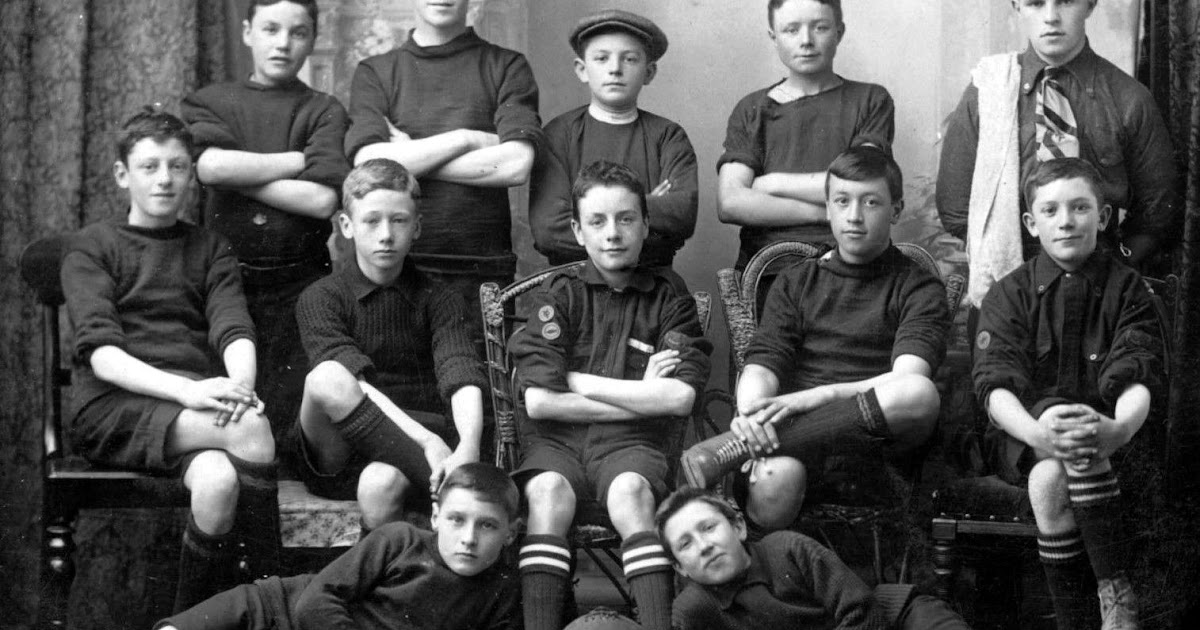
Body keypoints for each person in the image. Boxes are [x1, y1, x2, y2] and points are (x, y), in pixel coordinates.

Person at [60, 108, 278, 611]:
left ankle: (186, 621)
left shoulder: (209, 247)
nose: (165, 179)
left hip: (193, 412)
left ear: (191, 175)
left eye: (177, 167)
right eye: (150, 166)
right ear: (122, 175)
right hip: (114, 408)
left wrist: (239, 385)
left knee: (219, 482)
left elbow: (233, 327)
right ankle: (274, 597)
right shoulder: (93, 246)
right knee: (250, 431)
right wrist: (192, 392)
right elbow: (104, 356)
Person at [681, 147, 949, 533]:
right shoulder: (798, 280)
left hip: (879, 444)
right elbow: (762, 362)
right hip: (799, 447)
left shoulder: (918, 286)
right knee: (775, 480)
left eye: (871, 202)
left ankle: (758, 445)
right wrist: (753, 416)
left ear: (896, 209)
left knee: (919, 392)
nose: (854, 216)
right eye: (842, 201)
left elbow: (907, 378)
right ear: (828, 207)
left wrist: (817, 397)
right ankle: (778, 576)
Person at [509, 161, 712, 630]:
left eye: (625, 219)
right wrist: (642, 391)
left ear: (645, 225)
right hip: (555, 442)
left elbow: (679, 399)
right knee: (546, 491)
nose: (612, 234)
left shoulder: (669, 299)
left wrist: (575, 379)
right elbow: (539, 403)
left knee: (631, 493)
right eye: (597, 222)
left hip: (632, 446)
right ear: (579, 232)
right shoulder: (556, 295)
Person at [973, 158, 1165, 630]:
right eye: (1051, 209)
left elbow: (1137, 369)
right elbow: (995, 386)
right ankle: (1114, 595)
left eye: (1080, 208)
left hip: (1111, 439)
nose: (1066, 221)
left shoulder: (1129, 290)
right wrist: (1040, 433)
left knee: (1052, 475)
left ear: (1102, 218)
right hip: (1024, 437)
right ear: (1030, 222)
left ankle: (1087, 611)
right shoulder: (1009, 294)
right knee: (1059, 440)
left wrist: (1117, 429)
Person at [936, 0, 1179, 307]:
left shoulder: (1128, 99)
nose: (1051, 17)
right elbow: (955, 207)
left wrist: (1116, 264)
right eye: (1035, 3)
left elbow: (1158, 212)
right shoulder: (987, 91)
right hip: (1006, 293)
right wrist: (1006, 260)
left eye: (1065, 2)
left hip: (1098, 296)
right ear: (1016, 6)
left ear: (1090, 5)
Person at [181, 0, 350, 440]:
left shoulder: (324, 109)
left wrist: (239, 174)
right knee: (233, 415)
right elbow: (210, 168)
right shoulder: (211, 101)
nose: (282, 43)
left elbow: (318, 201)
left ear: (312, 39)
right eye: (270, 29)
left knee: (294, 421)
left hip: (303, 285)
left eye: (298, 33)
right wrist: (296, 159)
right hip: (224, 286)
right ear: (246, 32)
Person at [294, 158, 488, 530]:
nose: (385, 234)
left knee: (379, 484)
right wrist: (428, 442)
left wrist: (468, 447)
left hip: (421, 449)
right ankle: (461, 493)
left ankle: (392, 583)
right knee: (328, 377)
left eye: (399, 220)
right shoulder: (321, 297)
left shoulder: (439, 298)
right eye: (371, 221)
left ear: (417, 227)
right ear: (347, 226)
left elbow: (460, 372)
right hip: (342, 450)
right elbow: (351, 386)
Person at [344, 0, 543, 317]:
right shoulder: (376, 72)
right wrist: (467, 138)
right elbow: (368, 164)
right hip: (395, 267)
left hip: (481, 272)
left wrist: (412, 157)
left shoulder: (506, 65)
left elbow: (516, 164)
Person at [155, 462, 522, 630]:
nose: (469, 538)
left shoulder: (501, 592)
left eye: (487, 525)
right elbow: (314, 603)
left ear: (510, 533)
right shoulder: (401, 540)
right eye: (457, 519)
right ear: (437, 516)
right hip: (276, 609)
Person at [717, 0, 894, 272]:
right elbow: (730, 203)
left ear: (839, 32)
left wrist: (773, 183)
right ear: (773, 37)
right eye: (791, 29)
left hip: (854, 264)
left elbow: (862, 181)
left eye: (820, 27)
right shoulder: (752, 109)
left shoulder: (870, 99)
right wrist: (831, 212)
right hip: (770, 268)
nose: (806, 41)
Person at [529, 9, 697, 279]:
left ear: (649, 72)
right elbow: (549, 232)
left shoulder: (668, 136)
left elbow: (682, 216)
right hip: (573, 287)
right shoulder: (558, 135)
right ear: (582, 69)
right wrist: (646, 207)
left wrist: (592, 218)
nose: (615, 68)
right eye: (602, 58)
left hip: (654, 287)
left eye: (630, 59)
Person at [658, 487, 970, 630]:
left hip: (889, 617)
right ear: (678, 566)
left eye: (709, 528)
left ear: (738, 526)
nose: (704, 546)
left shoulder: (785, 548)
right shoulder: (693, 609)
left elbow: (862, 612)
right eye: (685, 544)